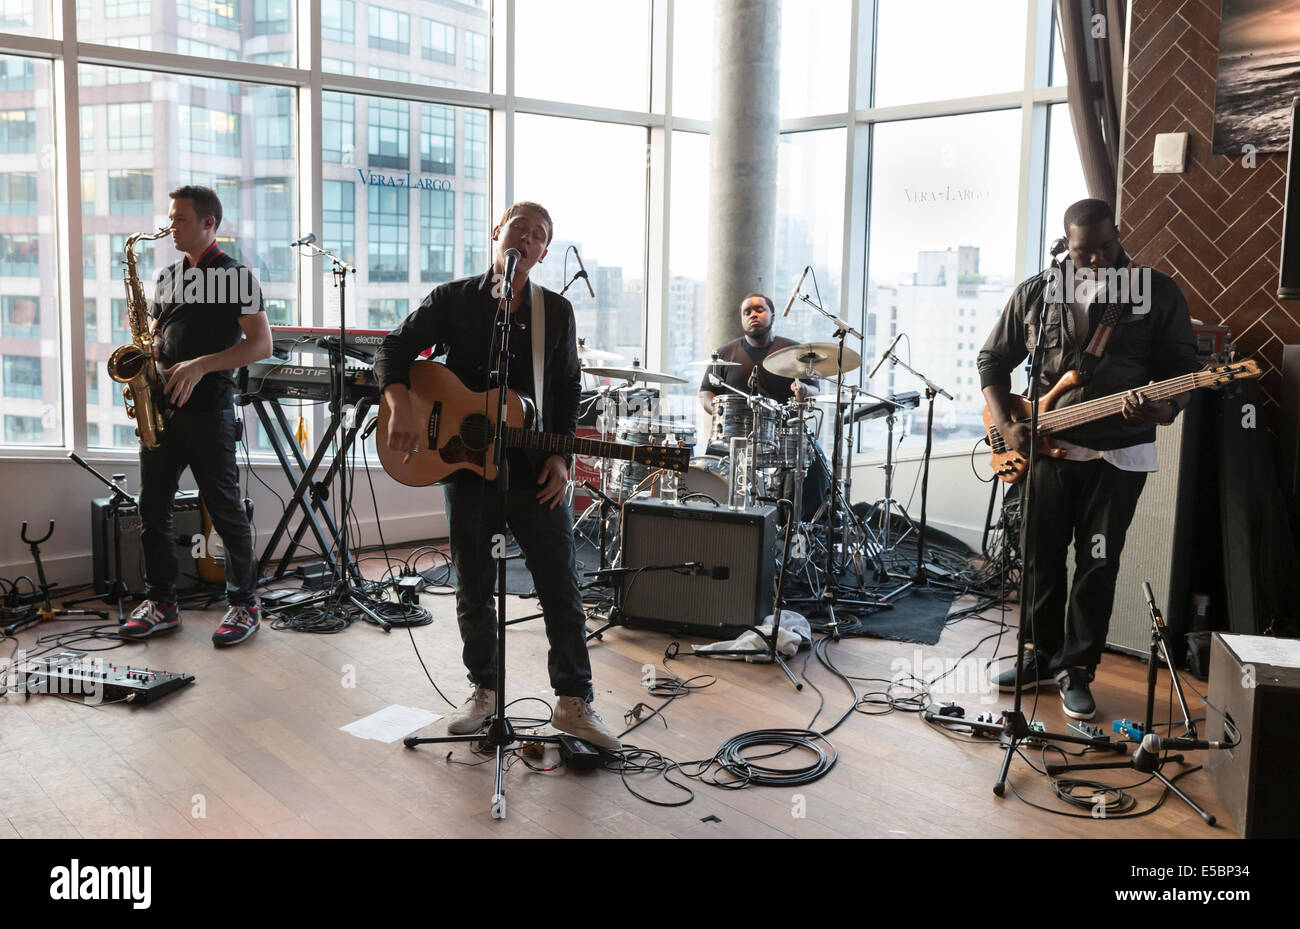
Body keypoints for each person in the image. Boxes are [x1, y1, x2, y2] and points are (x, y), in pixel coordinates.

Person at [374, 201, 621, 752]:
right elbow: (393, 348)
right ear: (497, 233)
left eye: (539, 236)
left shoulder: (553, 311)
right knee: (474, 583)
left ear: (544, 253)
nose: (527, 239)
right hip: (463, 462)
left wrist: (561, 458)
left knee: (559, 580)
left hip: (534, 468)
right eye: (519, 228)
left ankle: (574, 702)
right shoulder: (454, 299)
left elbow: (565, 391)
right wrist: (401, 404)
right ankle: (484, 695)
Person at [977, 198, 1200, 720]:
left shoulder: (1154, 291)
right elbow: (993, 360)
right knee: (1040, 556)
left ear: (1117, 235)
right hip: (1046, 453)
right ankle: (1037, 655)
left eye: (1106, 246)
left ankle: (1077, 669)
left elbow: (1183, 369)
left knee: (1098, 563)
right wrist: (1008, 427)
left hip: (1118, 455)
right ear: (1066, 245)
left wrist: (1163, 406)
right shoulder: (1035, 293)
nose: (1098, 259)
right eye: (1085, 251)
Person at [119, 185, 271, 647]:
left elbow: (261, 345)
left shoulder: (236, 276)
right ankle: (162, 602)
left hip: (209, 411)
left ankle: (244, 604)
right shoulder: (166, 277)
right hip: (162, 409)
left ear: (209, 223)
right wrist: (155, 347)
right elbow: (163, 334)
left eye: (180, 218)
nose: (170, 226)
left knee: (225, 510)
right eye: (170, 217)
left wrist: (202, 363)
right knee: (152, 508)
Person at [698, 293, 826, 518]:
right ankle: (714, 519)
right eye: (747, 312)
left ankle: (804, 529)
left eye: (759, 310)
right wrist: (717, 409)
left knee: (814, 464)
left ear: (773, 316)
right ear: (741, 319)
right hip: (734, 434)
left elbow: (815, 388)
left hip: (782, 433)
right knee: (709, 468)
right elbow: (706, 392)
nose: (753, 315)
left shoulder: (793, 351)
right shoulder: (725, 353)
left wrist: (805, 391)